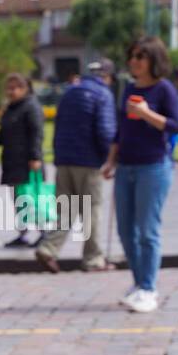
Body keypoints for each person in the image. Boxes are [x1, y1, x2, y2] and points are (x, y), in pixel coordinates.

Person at [103, 36, 178, 314]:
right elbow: (120, 129)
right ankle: (139, 283)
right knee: (125, 231)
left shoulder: (163, 89)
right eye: (132, 56)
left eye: (140, 56)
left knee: (147, 231)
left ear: (154, 60)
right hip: (125, 166)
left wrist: (146, 113)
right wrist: (111, 160)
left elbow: (177, 126)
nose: (134, 61)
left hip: (153, 167)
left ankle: (148, 288)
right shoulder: (127, 88)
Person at [37, 57, 116, 273]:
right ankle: (93, 259)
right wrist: (110, 158)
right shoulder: (103, 94)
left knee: (66, 209)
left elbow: (58, 124)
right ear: (107, 76)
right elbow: (105, 130)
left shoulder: (70, 91)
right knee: (91, 210)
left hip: (64, 159)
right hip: (89, 161)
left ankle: (48, 248)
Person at [0, 73, 45, 248]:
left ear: (25, 89)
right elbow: (2, 135)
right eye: (9, 88)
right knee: (18, 199)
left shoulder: (31, 106)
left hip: (27, 162)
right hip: (12, 162)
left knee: (32, 198)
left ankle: (43, 231)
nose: (11, 91)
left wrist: (35, 157)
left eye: (15, 88)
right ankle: (22, 232)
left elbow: (36, 133)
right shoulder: (11, 108)